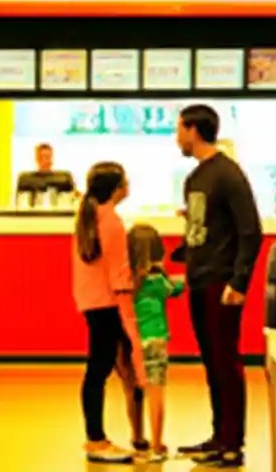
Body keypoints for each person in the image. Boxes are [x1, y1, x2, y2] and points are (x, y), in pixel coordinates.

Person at [173, 104, 263, 469]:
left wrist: (239, 280)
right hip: (199, 278)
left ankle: (232, 444)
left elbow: (249, 230)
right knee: (211, 361)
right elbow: (204, 231)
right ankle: (218, 435)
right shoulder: (195, 179)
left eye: (179, 129)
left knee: (226, 361)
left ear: (194, 129)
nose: (177, 136)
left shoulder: (228, 174)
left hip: (222, 281)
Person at [71, 162, 143, 463]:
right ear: (117, 189)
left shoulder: (86, 218)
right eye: (125, 182)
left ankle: (97, 436)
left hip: (90, 301)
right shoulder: (112, 221)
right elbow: (119, 273)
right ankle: (96, 439)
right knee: (99, 369)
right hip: (108, 303)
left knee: (98, 369)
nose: (128, 186)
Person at [126, 224, 187, 462]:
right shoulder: (158, 281)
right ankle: (157, 441)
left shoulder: (127, 281)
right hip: (156, 339)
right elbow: (176, 288)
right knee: (156, 390)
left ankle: (137, 435)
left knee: (133, 389)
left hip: (133, 339)